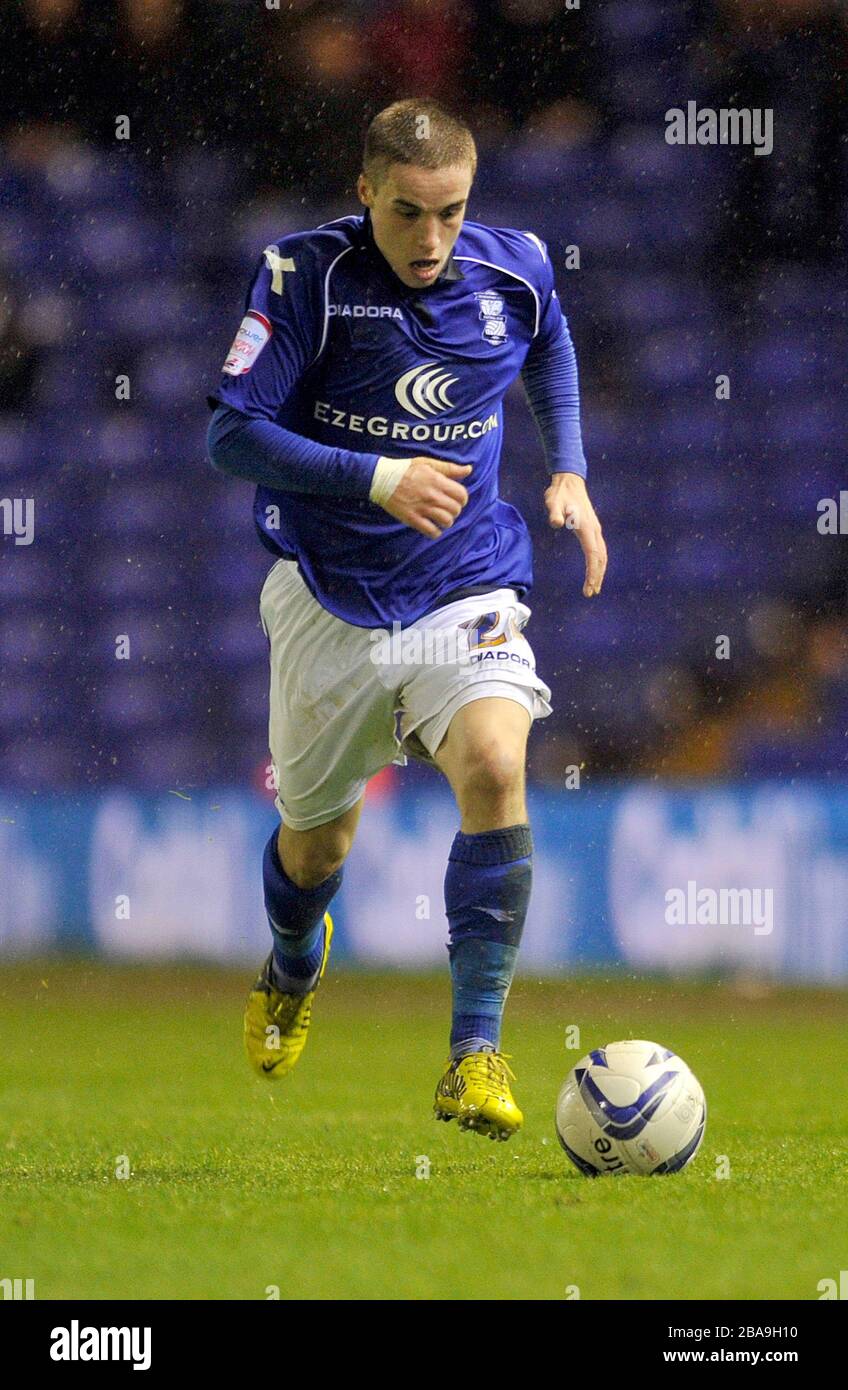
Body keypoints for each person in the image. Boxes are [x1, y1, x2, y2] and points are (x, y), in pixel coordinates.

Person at [207, 98, 606, 1141]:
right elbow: (229, 434)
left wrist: (566, 467)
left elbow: (548, 338)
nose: (429, 240)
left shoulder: (512, 267)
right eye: (405, 214)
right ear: (364, 192)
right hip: (327, 595)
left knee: (493, 765)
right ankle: (295, 962)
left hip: (462, 581)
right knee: (315, 842)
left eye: (448, 212)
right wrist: (373, 475)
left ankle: (474, 1052)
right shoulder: (306, 278)